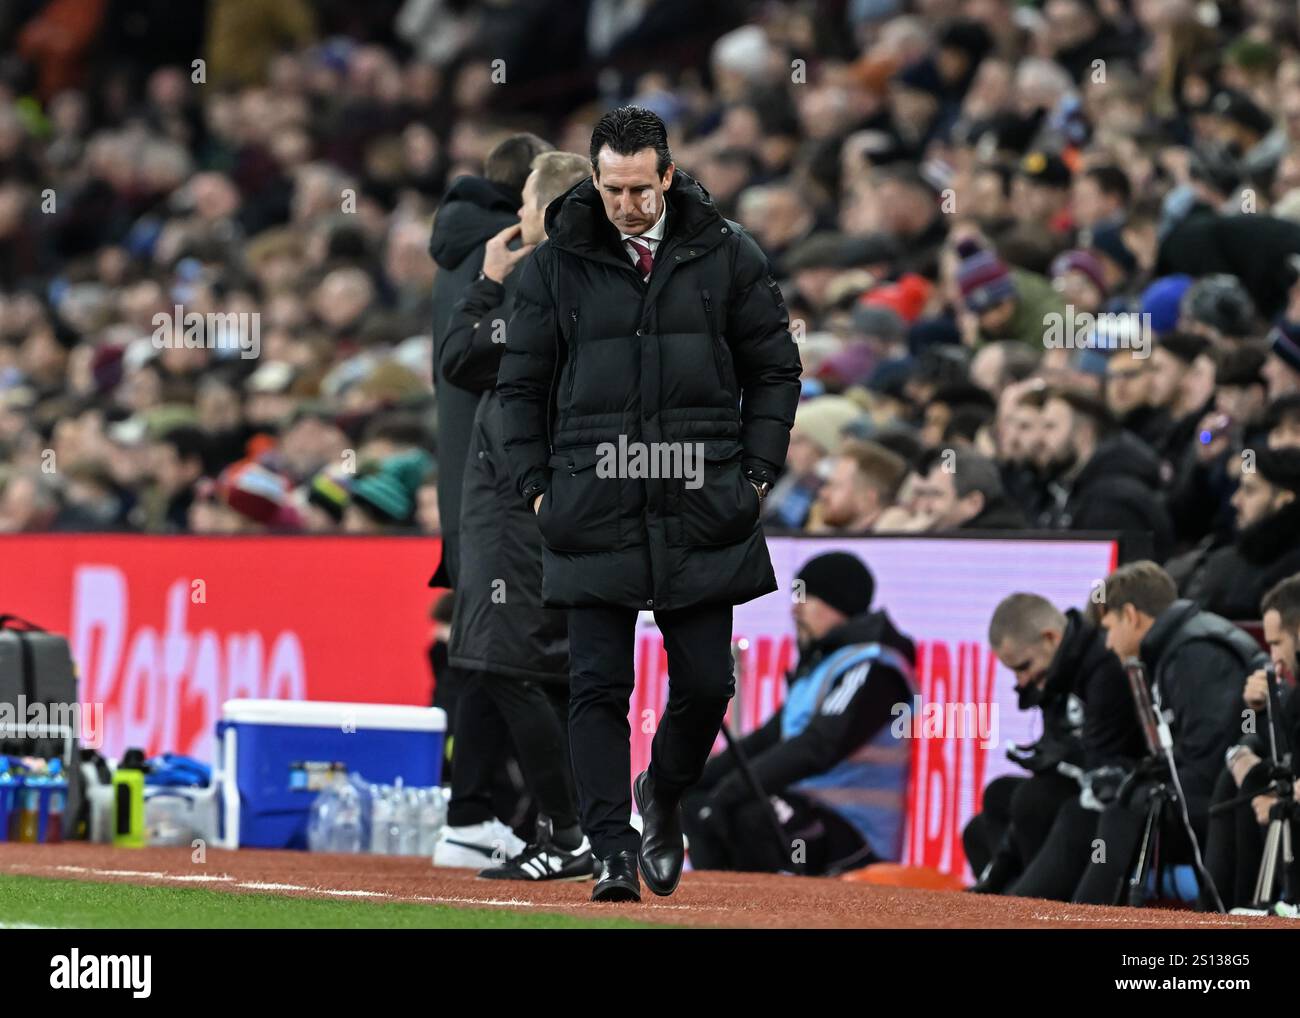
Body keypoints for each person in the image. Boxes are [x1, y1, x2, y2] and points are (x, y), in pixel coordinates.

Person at [496, 105, 802, 901]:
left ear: (668, 176)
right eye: (611, 188)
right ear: (593, 180)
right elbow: (517, 392)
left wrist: (758, 474)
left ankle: (662, 794)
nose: (626, 204)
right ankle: (608, 849)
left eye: (639, 188)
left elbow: (776, 368)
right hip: (588, 508)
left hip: (704, 506)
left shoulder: (727, 254)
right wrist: (537, 494)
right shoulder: (551, 267)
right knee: (598, 686)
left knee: (706, 685)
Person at [433, 151, 593, 880]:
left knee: (507, 666)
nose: (517, 216)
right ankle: (574, 826)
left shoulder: (538, 275)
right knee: (531, 668)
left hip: (512, 503)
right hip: (544, 495)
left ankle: (572, 830)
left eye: (528, 202)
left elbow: (462, 358)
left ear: (548, 207)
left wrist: (485, 284)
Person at [682, 552, 916, 875]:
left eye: (806, 597)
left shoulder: (874, 666)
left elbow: (818, 747)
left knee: (749, 813)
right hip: (806, 808)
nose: (795, 608)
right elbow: (768, 739)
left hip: (855, 832)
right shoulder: (823, 664)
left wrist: (733, 789)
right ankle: (716, 913)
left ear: (840, 604)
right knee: (696, 801)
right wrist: (691, 780)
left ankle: (775, 914)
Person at [1070, 561, 1265, 905]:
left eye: (1109, 628)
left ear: (1131, 614)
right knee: (1102, 805)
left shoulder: (1194, 653)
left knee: (1122, 812)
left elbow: (1208, 766)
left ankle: (1083, 920)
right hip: (1223, 790)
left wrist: (1141, 789)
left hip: (1237, 800)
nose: (1108, 644)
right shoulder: (1180, 645)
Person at [965, 593, 1143, 898]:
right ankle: (1008, 892)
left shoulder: (1104, 666)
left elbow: (1103, 762)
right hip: (1076, 786)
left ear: (1050, 638)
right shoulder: (1055, 674)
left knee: (1034, 799)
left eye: (1024, 667)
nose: (1021, 682)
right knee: (994, 802)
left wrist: (1056, 760)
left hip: (1112, 795)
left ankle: (1027, 903)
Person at [1205, 573, 1300, 911]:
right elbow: (1282, 750)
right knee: (1241, 778)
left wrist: (1287, 794)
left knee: (1258, 783)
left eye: (1276, 643)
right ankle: (1225, 910)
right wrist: (1258, 710)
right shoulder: (1292, 692)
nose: (1272, 657)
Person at [1182, 448, 1300, 620]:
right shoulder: (1226, 556)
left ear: (1284, 500)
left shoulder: (1290, 570)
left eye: (1249, 490)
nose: (1235, 500)